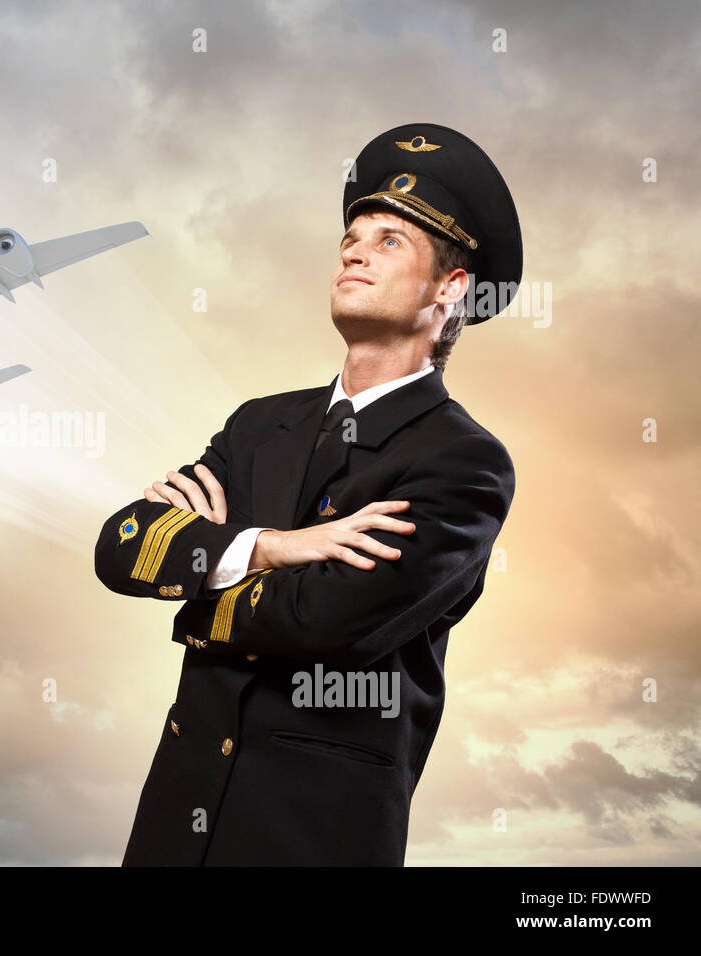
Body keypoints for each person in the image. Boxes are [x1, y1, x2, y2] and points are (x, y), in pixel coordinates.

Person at [94, 123, 520, 865]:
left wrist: (202, 567)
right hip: (172, 831)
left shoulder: (465, 463)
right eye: (353, 236)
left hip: (309, 839)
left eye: (391, 241)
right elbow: (121, 546)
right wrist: (272, 547)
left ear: (450, 289)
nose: (354, 250)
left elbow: (327, 625)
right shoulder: (261, 423)